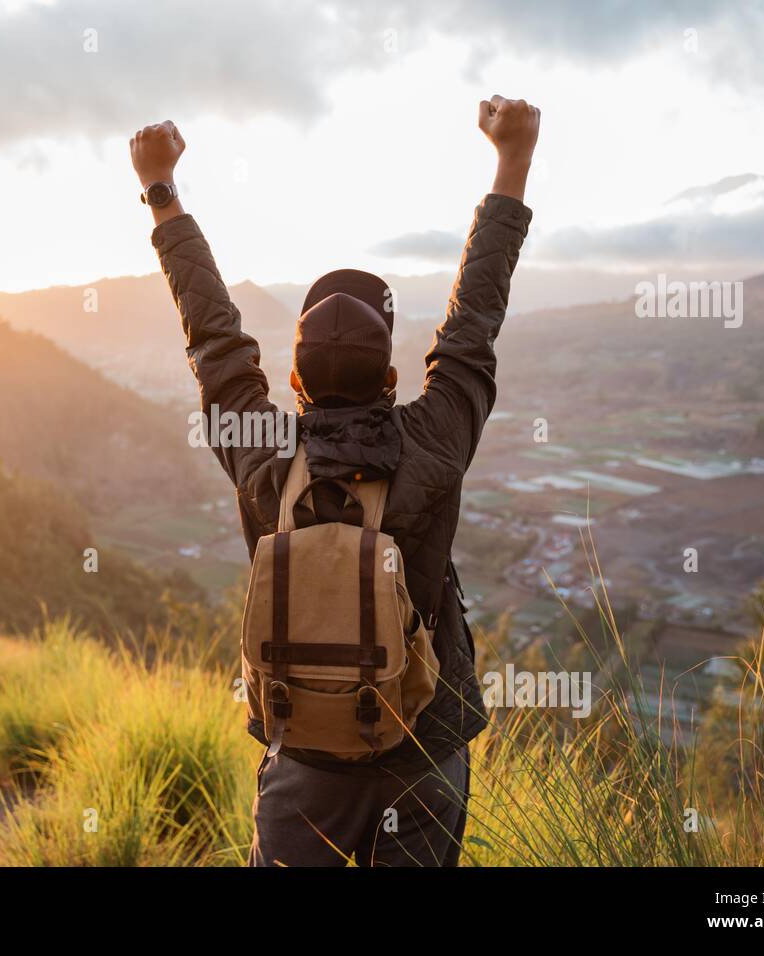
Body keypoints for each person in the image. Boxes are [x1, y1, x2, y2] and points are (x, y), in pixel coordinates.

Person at [131, 95, 539, 866]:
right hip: (424, 754)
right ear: (392, 374)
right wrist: (511, 159)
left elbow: (213, 337)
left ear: (290, 378)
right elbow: (474, 322)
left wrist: (161, 191)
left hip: (303, 758)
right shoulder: (435, 442)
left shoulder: (260, 451)